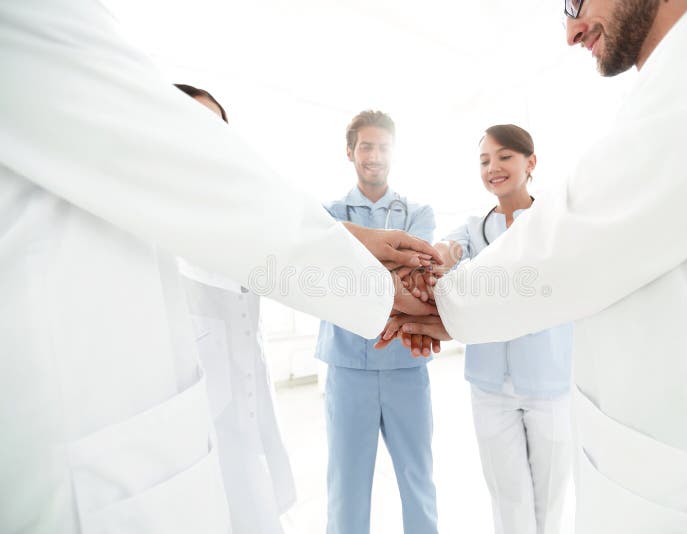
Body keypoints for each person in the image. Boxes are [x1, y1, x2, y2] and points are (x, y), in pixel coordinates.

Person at [0, 2, 440, 532]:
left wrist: (370, 263)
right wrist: (378, 282)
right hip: (92, 454)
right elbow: (197, 186)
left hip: (184, 449)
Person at [385, 1, 687, 533]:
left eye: (576, 2)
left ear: (530, 164)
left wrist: (442, 303)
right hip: (642, 460)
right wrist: (442, 289)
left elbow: (581, 229)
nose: (571, 30)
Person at [437, 124, 573, 534]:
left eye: (504, 157)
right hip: (489, 387)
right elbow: (448, 249)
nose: (493, 168)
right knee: (507, 499)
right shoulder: (475, 228)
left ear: (530, 163)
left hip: (548, 383)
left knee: (548, 501)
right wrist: (444, 254)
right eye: (484, 161)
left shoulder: (555, 220)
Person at [175, 83, 295, 534]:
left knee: (257, 503)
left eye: (220, 127)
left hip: (245, 397)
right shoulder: (156, 206)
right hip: (196, 414)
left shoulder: (246, 203)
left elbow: (289, 255)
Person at [316, 110, 438, 534]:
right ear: (350, 152)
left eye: (383, 146)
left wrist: (354, 269)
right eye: (366, 146)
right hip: (348, 368)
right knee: (347, 487)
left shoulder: (419, 214)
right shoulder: (324, 216)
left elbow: (421, 275)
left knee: (417, 481)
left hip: (406, 366)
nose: (374, 155)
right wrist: (390, 273)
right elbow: (326, 280)